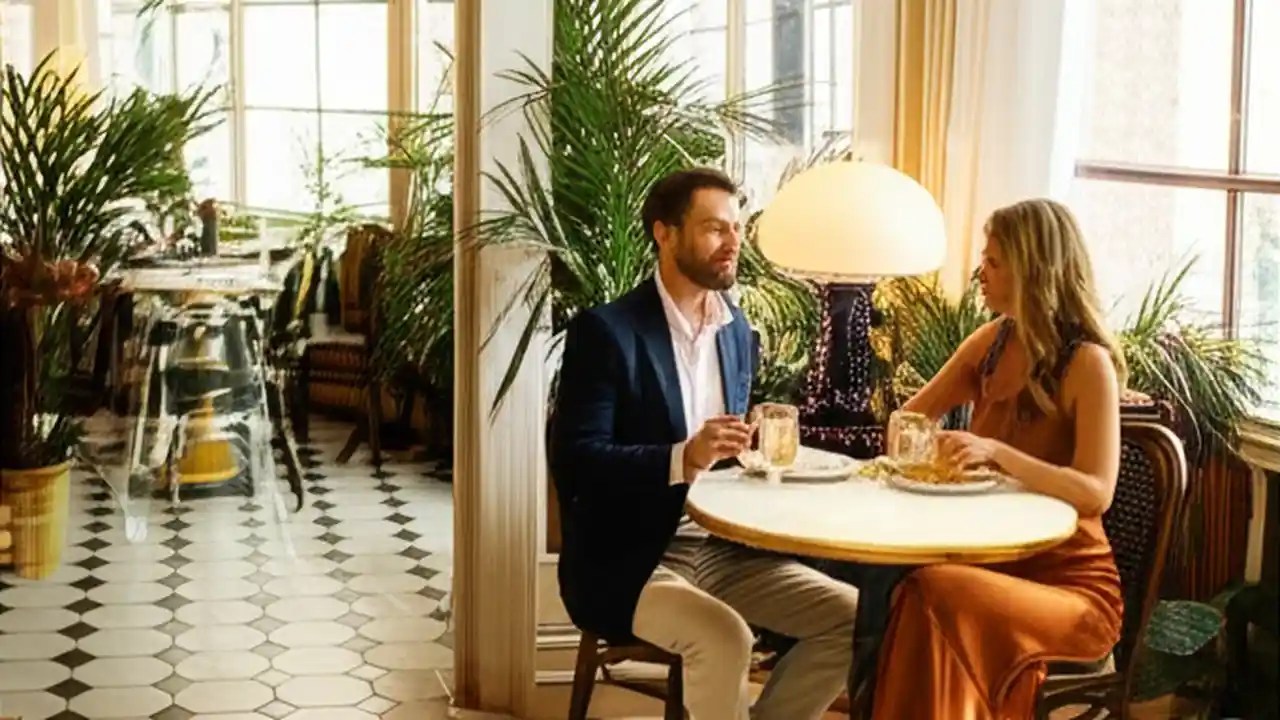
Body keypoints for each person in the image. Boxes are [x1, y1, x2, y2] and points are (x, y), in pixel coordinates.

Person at [551, 167, 860, 720]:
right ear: (664, 233)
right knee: (725, 638)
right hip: (628, 558)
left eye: (735, 228)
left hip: (721, 548)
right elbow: (577, 461)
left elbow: (726, 455)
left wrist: (750, 443)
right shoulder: (606, 333)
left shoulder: (736, 331)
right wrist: (682, 457)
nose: (732, 243)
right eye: (714, 228)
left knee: (852, 618)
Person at [871, 198, 1126, 719]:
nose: (978, 274)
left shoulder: (1086, 363)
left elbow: (1097, 492)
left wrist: (996, 453)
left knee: (932, 587)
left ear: (1032, 269)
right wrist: (929, 454)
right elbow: (906, 422)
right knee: (906, 584)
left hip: (1070, 590)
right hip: (991, 565)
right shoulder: (991, 341)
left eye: (992, 262)